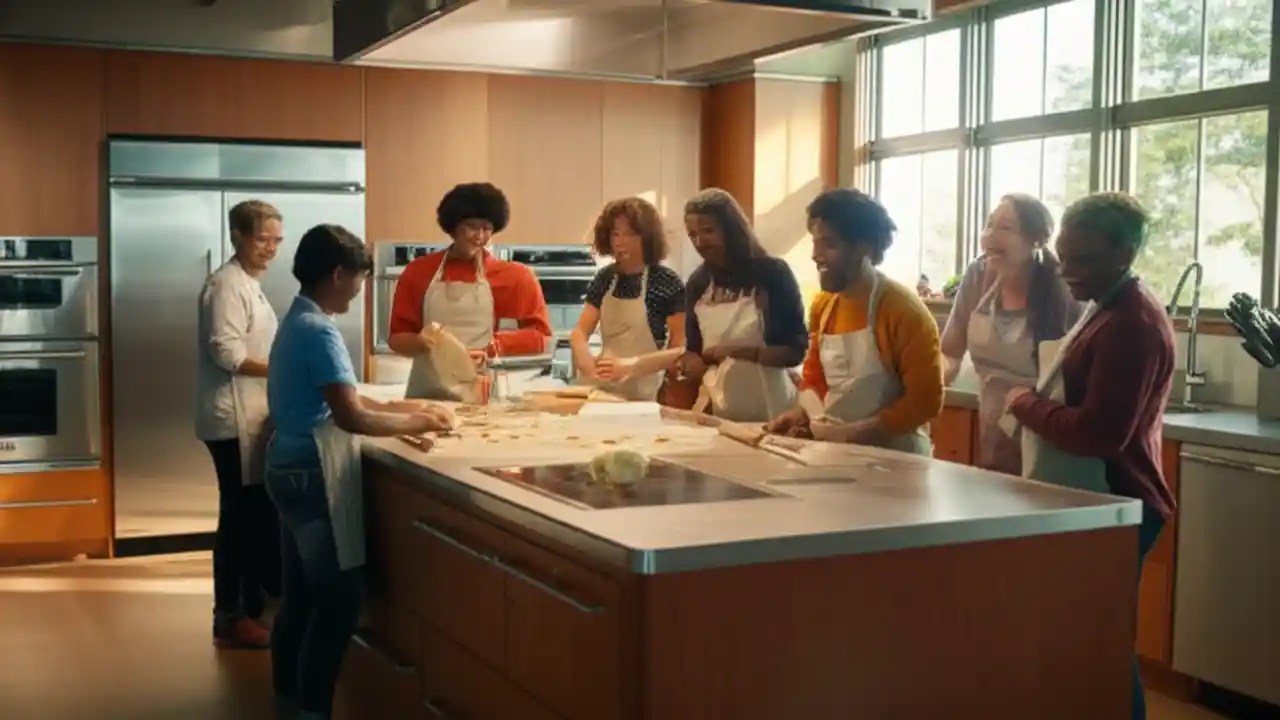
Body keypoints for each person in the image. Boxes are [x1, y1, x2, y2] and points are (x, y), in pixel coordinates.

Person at [265, 224, 454, 720]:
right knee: (338, 603)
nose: (358, 290)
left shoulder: (298, 318)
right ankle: (312, 711)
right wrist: (418, 422)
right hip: (312, 470)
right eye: (358, 280)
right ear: (338, 275)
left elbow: (341, 398)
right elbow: (351, 417)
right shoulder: (320, 330)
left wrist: (410, 407)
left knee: (299, 597)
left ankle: (285, 697)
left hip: (285, 464)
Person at [1002, 192, 1175, 720]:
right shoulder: (1107, 306)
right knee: (1083, 638)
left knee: (1101, 644)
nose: (1069, 272)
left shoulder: (1131, 325)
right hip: (1096, 499)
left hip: (1119, 502)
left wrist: (1025, 404)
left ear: (1125, 254)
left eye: (1085, 260)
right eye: (1064, 257)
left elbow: (1099, 435)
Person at [765, 189, 943, 453]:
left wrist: (862, 432)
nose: (815, 254)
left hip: (897, 457)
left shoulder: (903, 311)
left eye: (828, 244)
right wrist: (800, 414)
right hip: (839, 451)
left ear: (863, 248)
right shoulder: (823, 306)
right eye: (815, 242)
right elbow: (815, 378)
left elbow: (925, 401)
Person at [195, 199, 284, 649]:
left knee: (252, 515)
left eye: (276, 240)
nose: (270, 248)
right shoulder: (227, 285)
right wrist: (284, 368)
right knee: (237, 518)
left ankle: (251, 608)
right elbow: (226, 353)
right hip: (231, 419)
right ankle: (229, 615)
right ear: (238, 237)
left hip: (250, 415)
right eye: (262, 239)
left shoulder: (249, 283)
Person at [940, 193, 1082, 474]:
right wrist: (924, 391)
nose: (990, 236)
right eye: (989, 225)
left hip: (1046, 438)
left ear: (1037, 240)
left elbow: (1075, 382)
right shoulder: (978, 276)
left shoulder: (1064, 290)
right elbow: (950, 353)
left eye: (1005, 228)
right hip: (993, 433)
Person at [388, 182, 552, 399]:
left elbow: (541, 337)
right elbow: (397, 339)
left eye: (486, 228)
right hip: (428, 397)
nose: (479, 236)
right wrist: (421, 342)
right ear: (453, 227)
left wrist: (494, 346)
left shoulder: (516, 277)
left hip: (484, 395)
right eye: (471, 227)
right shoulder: (418, 272)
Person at [676, 188, 808, 422]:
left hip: (772, 410)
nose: (700, 242)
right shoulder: (698, 283)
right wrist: (690, 361)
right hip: (719, 408)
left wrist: (739, 353)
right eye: (692, 235)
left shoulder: (773, 274)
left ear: (731, 229)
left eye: (708, 231)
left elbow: (795, 351)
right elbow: (695, 350)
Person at [569, 197, 686, 400]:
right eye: (615, 234)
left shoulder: (666, 282)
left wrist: (632, 365)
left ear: (647, 238)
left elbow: (679, 350)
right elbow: (580, 331)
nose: (619, 242)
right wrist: (582, 353)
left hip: (642, 394)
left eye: (630, 234)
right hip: (601, 388)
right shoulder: (605, 278)